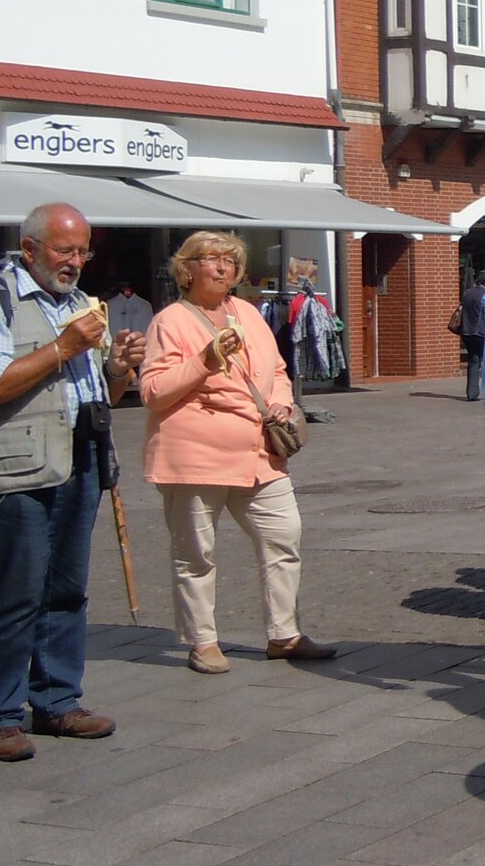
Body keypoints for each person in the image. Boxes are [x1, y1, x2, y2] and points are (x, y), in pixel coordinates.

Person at [0, 203, 145, 762]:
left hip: (78, 459)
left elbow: (98, 395)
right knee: (17, 591)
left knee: (66, 590)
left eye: (84, 250)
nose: (76, 261)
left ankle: (58, 700)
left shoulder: (82, 306)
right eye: (65, 250)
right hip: (16, 468)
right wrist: (62, 347)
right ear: (29, 249)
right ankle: (0, 715)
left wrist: (119, 367)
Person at [140, 231, 337, 675]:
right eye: (212, 259)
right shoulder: (170, 321)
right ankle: (202, 641)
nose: (224, 267)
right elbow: (153, 392)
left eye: (231, 260)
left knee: (284, 536)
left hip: (259, 454)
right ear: (187, 268)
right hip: (195, 455)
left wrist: (283, 401)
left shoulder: (248, 311)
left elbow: (279, 369)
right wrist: (205, 360)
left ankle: (284, 634)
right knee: (196, 553)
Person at [457, 268, 485, 402]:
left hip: (466, 331)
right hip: (481, 332)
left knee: (473, 361)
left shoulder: (467, 293)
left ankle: (472, 392)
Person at [106, 283, 153, 349]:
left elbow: (150, 331)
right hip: (115, 348)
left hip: (141, 349)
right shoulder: (109, 305)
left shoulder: (145, 306)